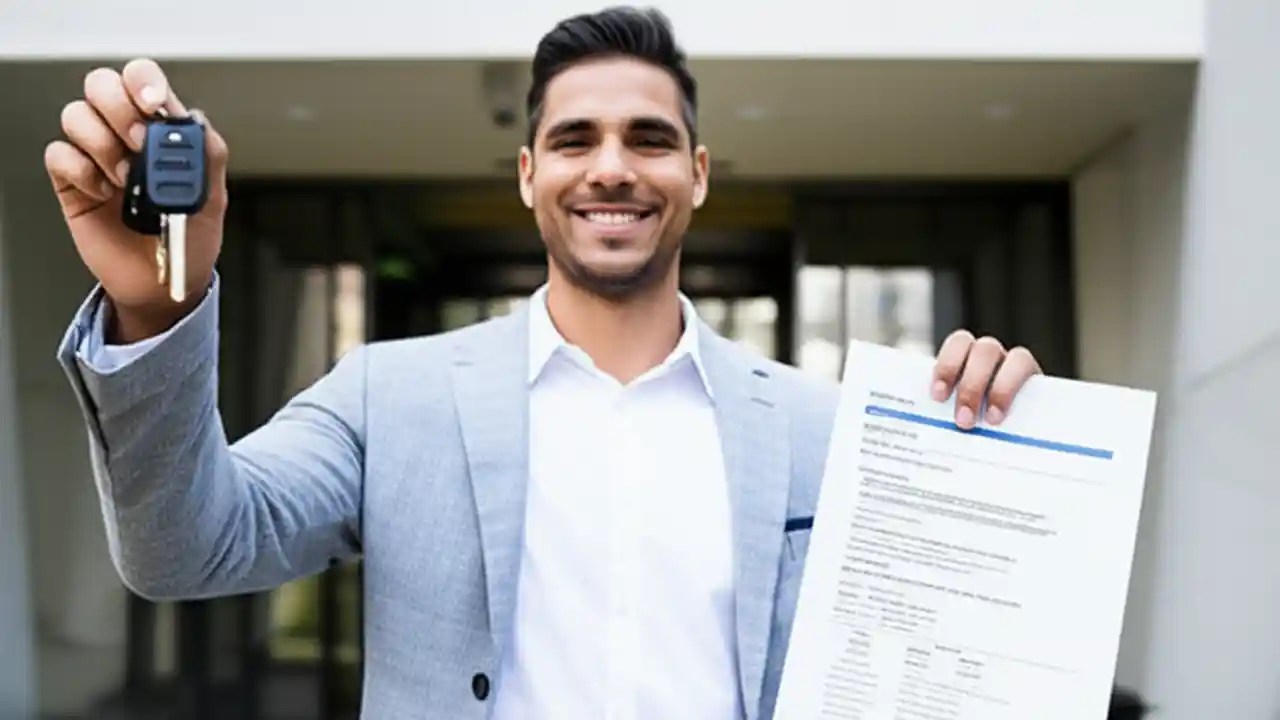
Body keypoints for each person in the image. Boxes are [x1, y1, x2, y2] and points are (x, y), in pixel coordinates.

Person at [44, 6, 1044, 719]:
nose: (610, 165)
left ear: (694, 174)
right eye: (574, 140)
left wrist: (991, 451)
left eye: (648, 140)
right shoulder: (388, 396)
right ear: (529, 176)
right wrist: (154, 302)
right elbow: (184, 552)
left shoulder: (823, 426)